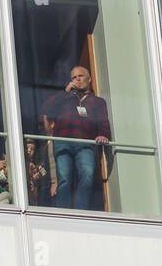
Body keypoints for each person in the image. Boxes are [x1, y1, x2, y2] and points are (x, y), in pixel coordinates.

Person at [41, 65, 111, 211]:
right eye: (73, 77)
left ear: (90, 79)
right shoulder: (65, 98)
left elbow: (103, 122)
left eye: (80, 76)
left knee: (88, 174)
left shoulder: (98, 101)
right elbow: (47, 109)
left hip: (85, 143)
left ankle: (80, 210)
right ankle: (63, 211)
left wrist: (103, 135)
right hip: (63, 142)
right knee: (64, 178)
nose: (76, 79)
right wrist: (65, 93)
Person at [24, 138, 49, 206]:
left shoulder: (36, 164)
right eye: (26, 148)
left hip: (35, 192)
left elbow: (44, 173)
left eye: (32, 149)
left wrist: (39, 171)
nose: (29, 151)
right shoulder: (22, 164)